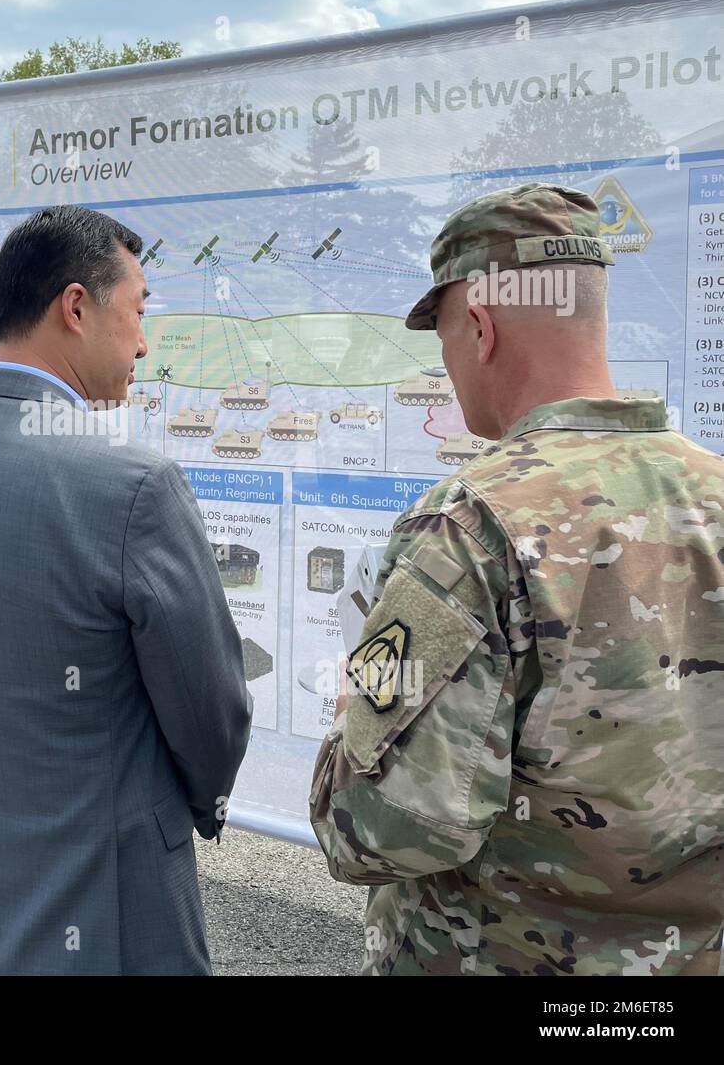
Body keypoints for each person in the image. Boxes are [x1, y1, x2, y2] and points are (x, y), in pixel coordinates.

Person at [310, 183, 724, 976]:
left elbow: (382, 826)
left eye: (442, 336)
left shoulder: (470, 526)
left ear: (478, 324)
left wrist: (347, 720)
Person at [0, 204, 252, 975]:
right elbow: (213, 717)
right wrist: (197, 803)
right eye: (140, 309)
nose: (145, 342)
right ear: (76, 307)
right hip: (102, 912)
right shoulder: (133, 486)